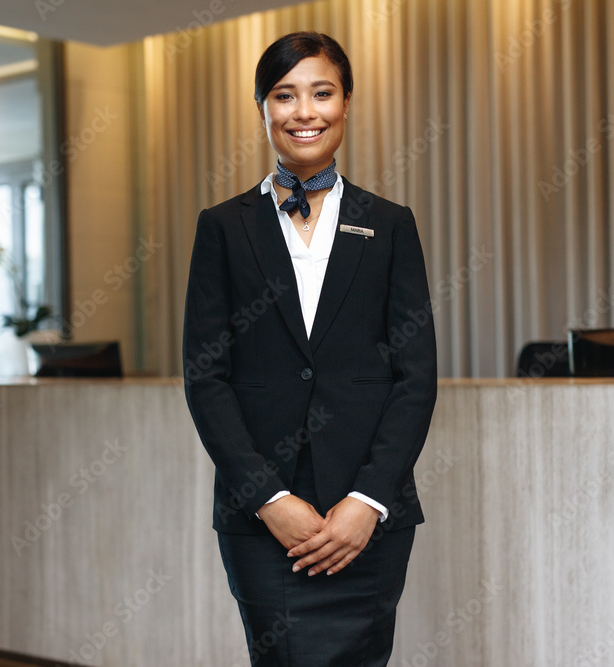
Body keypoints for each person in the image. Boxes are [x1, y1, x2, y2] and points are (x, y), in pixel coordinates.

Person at [183, 31, 437, 667]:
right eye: (284, 95)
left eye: (321, 93)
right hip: (266, 521)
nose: (304, 112)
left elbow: (416, 375)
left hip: (367, 518)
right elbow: (205, 377)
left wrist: (367, 502)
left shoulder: (390, 223)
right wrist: (268, 499)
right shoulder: (222, 227)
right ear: (263, 108)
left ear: (346, 102)